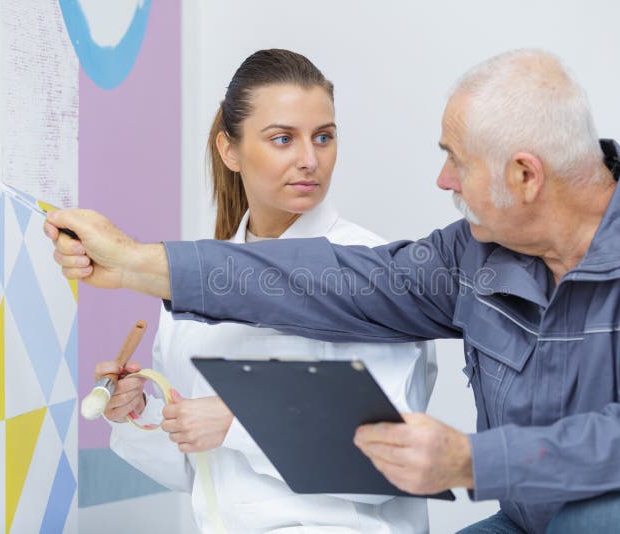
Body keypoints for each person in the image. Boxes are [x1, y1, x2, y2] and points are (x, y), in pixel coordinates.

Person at [46, 49, 620, 533]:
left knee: (605, 522)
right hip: (539, 517)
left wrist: (471, 462)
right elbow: (335, 279)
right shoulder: (478, 252)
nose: (442, 182)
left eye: (455, 160)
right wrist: (137, 264)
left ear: (524, 176)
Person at [90, 49, 437, 533]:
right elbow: (200, 473)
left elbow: (389, 461)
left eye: (323, 137)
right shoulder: (192, 286)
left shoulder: (374, 270)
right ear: (229, 150)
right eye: (282, 139)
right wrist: (137, 412)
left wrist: (238, 421)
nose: (309, 160)